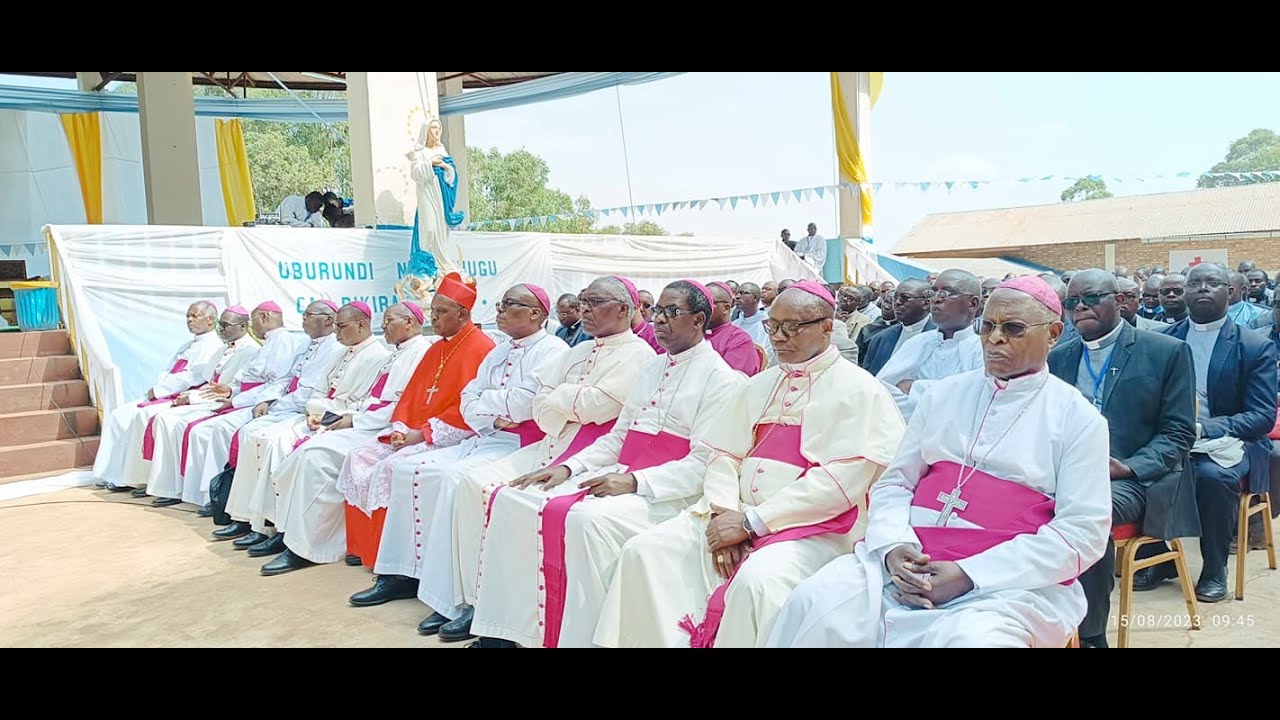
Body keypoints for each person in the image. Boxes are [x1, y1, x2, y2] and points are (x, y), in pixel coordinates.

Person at [769, 275, 1111, 648]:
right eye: (987, 327)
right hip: (907, 563)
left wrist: (970, 574)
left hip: (1004, 585)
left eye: (1012, 328)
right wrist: (894, 547)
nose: (995, 339)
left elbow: (1082, 531)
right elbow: (896, 483)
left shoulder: (1078, 418)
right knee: (812, 602)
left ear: (1053, 334)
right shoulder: (943, 395)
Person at [595, 282, 905, 648]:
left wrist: (750, 523)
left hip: (814, 528)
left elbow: (838, 484)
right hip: (734, 513)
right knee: (645, 551)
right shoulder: (760, 383)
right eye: (773, 326)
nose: (778, 337)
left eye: (792, 327)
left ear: (826, 326)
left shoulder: (861, 390)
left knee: (757, 582)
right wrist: (724, 514)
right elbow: (722, 456)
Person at [466, 281, 744, 648]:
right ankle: (511, 632)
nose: (659, 319)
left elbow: (702, 464)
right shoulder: (651, 368)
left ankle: (581, 639)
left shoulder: (722, 378)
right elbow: (618, 438)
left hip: (667, 491)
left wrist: (634, 482)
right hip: (623, 472)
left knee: (585, 521)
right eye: (658, 311)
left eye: (671, 312)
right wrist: (568, 468)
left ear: (698, 320)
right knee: (515, 500)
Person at [437, 276, 656, 642]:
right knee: (472, 484)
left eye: (594, 302)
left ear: (623, 309)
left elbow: (598, 407)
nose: (584, 310)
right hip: (552, 442)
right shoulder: (577, 351)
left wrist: (561, 399)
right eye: (583, 302)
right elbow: (540, 406)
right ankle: (480, 603)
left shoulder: (639, 354)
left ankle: (519, 617)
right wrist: (566, 403)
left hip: (593, 452)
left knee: (514, 501)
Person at [353, 285, 569, 632]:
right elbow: (469, 399)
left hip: (522, 443)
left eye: (509, 305)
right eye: (499, 304)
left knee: (454, 481)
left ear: (536, 313)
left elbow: (525, 405)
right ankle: (402, 574)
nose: (499, 311)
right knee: (407, 469)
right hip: (488, 435)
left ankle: (460, 596)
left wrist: (490, 406)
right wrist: (493, 412)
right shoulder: (500, 350)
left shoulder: (553, 349)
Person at [1049, 269, 1197, 648]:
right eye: (1072, 302)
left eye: (1091, 298)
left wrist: (1128, 467)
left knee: (1085, 514)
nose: (1080, 307)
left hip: (1134, 477)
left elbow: (1179, 433)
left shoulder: (1165, 351)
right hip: (1064, 472)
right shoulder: (1058, 357)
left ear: (1118, 301)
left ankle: (1091, 634)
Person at [258, 301, 438, 576]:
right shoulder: (397, 352)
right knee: (305, 451)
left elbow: (399, 405)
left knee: (315, 457)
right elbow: (369, 399)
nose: (383, 327)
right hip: (367, 420)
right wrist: (347, 416)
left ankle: (308, 547)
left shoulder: (420, 352)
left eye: (389, 321)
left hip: (383, 428)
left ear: (410, 322)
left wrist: (354, 420)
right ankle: (289, 532)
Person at [338, 282, 495, 571]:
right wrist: (401, 427)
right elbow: (412, 394)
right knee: (358, 456)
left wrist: (423, 433)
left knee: (391, 467)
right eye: (433, 310)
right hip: (413, 431)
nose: (433, 317)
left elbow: (469, 408)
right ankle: (365, 545)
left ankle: (391, 560)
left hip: (451, 436)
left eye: (441, 312)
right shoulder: (437, 348)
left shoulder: (482, 348)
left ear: (462, 314)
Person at [1156, 263, 1277, 602]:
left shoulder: (1253, 346)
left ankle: (1214, 567)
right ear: (1185, 293)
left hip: (1232, 442)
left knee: (1212, 477)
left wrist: (1207, 428)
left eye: (1213, 282)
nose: (1203, 288)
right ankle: (1159, 559)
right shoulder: (1164, 340)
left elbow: (1262, 416)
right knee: (1142, 469)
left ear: (1230, 291)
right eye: (1195, 283)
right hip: (1174, 439)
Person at [230, 302, 391, 558]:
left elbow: (360, 404)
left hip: (344, 421)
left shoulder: (378, 356)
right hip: (321, 415)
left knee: (291, 449)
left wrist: (324, 413)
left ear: (361, 325)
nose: (336, 332)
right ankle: (263, 522)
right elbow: (318, 391)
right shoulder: (342, 351)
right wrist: (316, 410)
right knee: (266, 438)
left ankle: (289, 533)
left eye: (341, 326)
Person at [208, 301, 345, 540]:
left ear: (327, 320)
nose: (303, 319)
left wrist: (277, 404)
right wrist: (268, 400)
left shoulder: (334, 348)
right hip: (286, 405)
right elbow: (285, 379)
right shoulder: (306, 345)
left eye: (308, 315)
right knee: (248, 433)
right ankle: (244, 516)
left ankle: (268, 523)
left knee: (267, 441)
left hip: (302, 409)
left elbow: (309, 392)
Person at [146, 301, 302, 508]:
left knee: (210, 429)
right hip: (245, 398)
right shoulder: (268, 342)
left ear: (264, 317)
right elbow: (240, 382)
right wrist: (231, 392)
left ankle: (217, 496)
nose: (252, 326)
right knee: (185, 425)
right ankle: (197, 492)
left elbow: (275, 383)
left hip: (260, 402)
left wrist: (235, 399)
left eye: (252, 320)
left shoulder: (280, 342)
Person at [116, 306, 260, 496]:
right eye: (221, 325)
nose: (221, 330)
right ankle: (166, 485)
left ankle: (198, 491)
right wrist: (189, 396)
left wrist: (191, 398)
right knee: (163, 419)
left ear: (243, 326)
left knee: (177, 424)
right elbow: (208, 380)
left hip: (224, 402)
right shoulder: (223, 348)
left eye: (225, 325)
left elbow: (231, 388)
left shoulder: (250, 351)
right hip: (208, 398)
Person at [93, 301, 223, 491]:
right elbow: (170, 370)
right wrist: (159, 386)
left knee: (143, 416)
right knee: (119, 415)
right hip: (165, 390)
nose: (189, 320)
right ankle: (113, 473)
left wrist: (161, 390)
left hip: (183, 395)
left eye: (195, 316)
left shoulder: (213, 345)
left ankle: (140, 479)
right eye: (188, 316)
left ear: (210, 319)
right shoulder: (188, 345)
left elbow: (193, 377)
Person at [875, 271, 983, 421]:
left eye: (946, 293)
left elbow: (974, 404)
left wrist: (914, 388)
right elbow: (882, 393)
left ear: (972, 304)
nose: (936, 299)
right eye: (933, 292)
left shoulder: (983, 350)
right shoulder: (916, 343)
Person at [408, 117, 463, 276]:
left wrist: (445, 166)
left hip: (441, 196)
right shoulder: (420, 153)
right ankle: (427, 265)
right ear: (426, 131)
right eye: (433, 128)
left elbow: (452, 177)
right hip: (427, 193)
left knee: (441, 230)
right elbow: (416, 174)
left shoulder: (443, 152)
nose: (436, 131)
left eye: (438, 128)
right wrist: (430, 163)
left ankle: (441, 264)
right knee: (429, 228)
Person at [862, 278, 933, 376]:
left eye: (905, 298)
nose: (897, 302)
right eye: (895, 297)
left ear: (926, 303)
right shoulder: (880, 339)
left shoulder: (942, 338)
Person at [705, 281, 761, 376]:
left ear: (726, 308)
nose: (701, 308)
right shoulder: (694, 335)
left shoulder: (739, 340)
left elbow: (732, 381)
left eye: (708, 303)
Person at [733, 282, 770, 355]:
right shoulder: (734, 325)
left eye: (743, 293)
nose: (737, 296)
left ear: (755, 298)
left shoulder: (767, 325)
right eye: (737, 293)